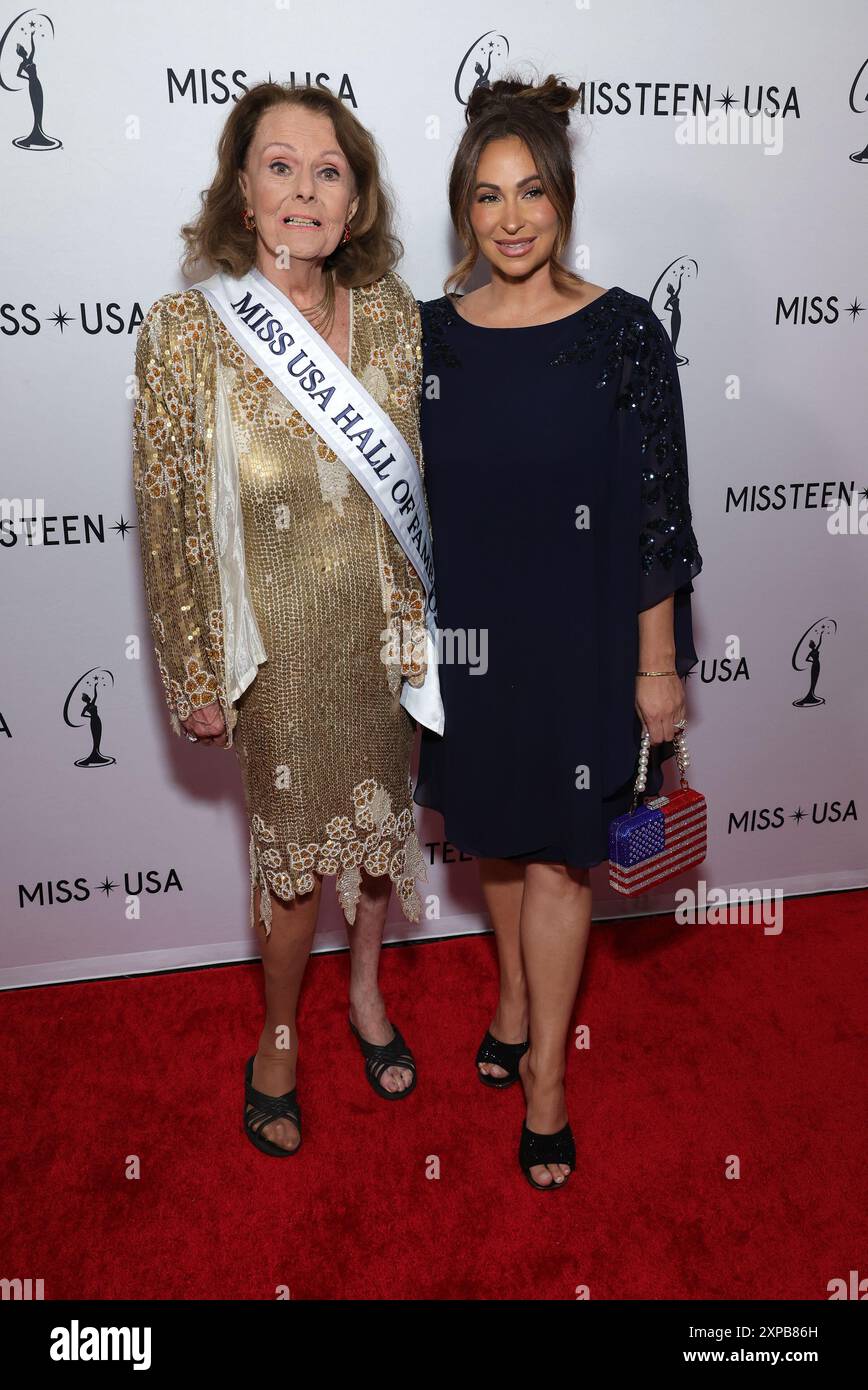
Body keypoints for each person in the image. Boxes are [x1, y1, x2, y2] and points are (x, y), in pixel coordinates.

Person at [132, 81, 438, 1158]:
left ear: (352, 204)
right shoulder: (182, 334)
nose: (303, 188)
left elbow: (424, 485)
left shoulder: (395, 314)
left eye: (328, 169)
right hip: (269, 655)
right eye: (280, 164)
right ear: (242, 189)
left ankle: (363, 993)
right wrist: (192, 670)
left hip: (377, 641)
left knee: (375, 839)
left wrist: (420, 636)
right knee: (291, 868)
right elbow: (167, 512)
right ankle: (276, 1035)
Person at [413, 74, 703, 1189]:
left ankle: (545, 1079)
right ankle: (513, 999)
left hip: (586, 639)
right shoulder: (426, 336)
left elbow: (657, 509)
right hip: (472, 642)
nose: (513, 217)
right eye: (487, 197)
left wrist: (656, 667)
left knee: (562, 862)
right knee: (494, 834)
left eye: (532, 191)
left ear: (563, 198)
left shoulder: (622, 331)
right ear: (464, 212)